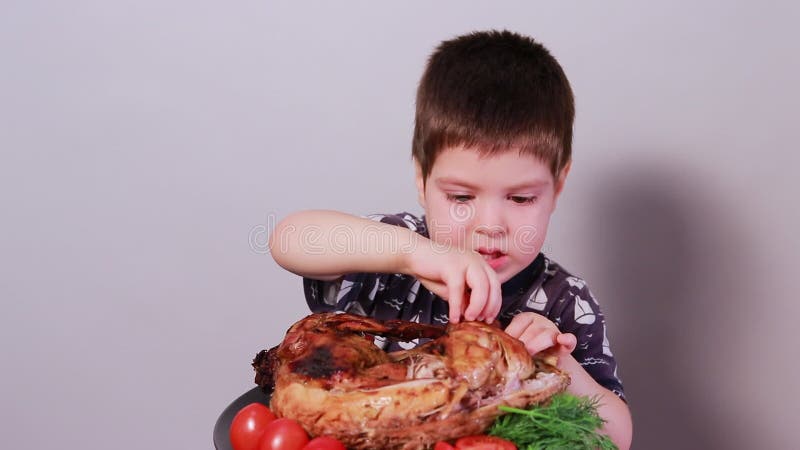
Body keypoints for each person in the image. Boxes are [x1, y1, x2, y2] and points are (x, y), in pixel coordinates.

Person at [269, 30, 633, 449]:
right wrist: (409, 255)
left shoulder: (564, 302)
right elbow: (289, 238)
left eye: (520, 197)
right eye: (461, 197)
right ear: (422, 181)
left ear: (558, 185)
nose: (490, 225)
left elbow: (617, 438)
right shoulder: (394, 252)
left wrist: (558, 363)